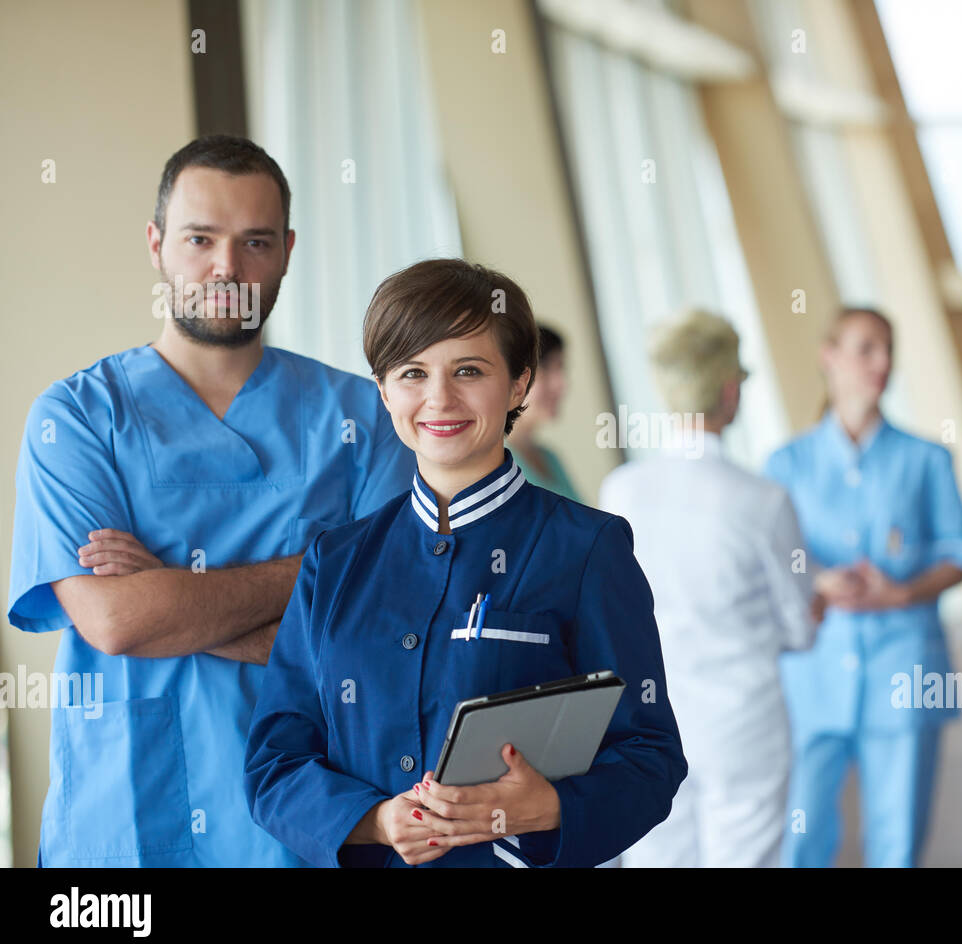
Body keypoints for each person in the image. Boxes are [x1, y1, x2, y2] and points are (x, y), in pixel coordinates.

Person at [6, 135, 414, 866]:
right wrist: (326, 571)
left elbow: (382, 635)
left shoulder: (362, 417)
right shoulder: (74, 417)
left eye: (255, 241)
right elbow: (117, 620)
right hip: (129, 819)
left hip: (313, 815)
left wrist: (172, 593)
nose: (227, 267)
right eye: (201, 238)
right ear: (158, 244)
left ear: (287, 250)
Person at [243, 259, 687, 867]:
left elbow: (650, 753)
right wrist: (372, 820)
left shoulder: (587, 548)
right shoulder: (335, 561)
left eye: (469, 370)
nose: (439, 398)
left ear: (519, 384)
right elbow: (275, 762)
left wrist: (550, 807)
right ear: (384, 391)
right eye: (412, 373)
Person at [601, 308, 821, 868]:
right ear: (730, 389)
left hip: (644, 720)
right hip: (740, 720)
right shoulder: (762, 498)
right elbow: (798, 626)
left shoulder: (621, 490)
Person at [764, 307, 962, 868]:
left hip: (904, 674)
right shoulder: (786, 464)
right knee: (799, 837)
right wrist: (816, 578)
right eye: (866, 347)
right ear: (828, 356)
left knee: (897, 841)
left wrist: (902, 593)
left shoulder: (927, 459)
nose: (882, 362)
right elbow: (770, 561)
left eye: (887, 348)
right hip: (813, 677)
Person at [507, 323, 582, 501]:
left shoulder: (550, 458)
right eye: (546, 369)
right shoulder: (494, 468)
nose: (562, 384)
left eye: (561, 368)